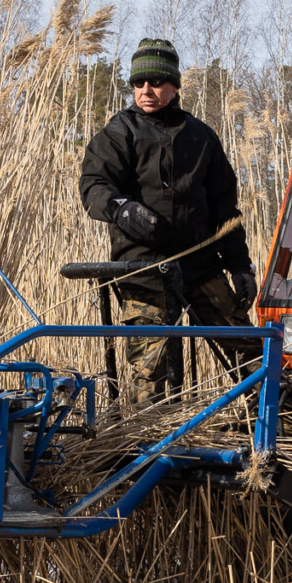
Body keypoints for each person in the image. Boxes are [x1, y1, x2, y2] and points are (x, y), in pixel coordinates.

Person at [78, 39, 255, 394]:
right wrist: (120, 208)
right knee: (151, 370)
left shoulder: (201, 137)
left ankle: (275, 430)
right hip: (142, 270)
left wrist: (240, 266)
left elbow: (225, 210)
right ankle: (152, 444)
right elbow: (94, 185)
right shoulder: (119, 133)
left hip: (201, 266)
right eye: (139, 83)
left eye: (157, 82)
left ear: (174, 86)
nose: (147, 91)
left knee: (251, 352)